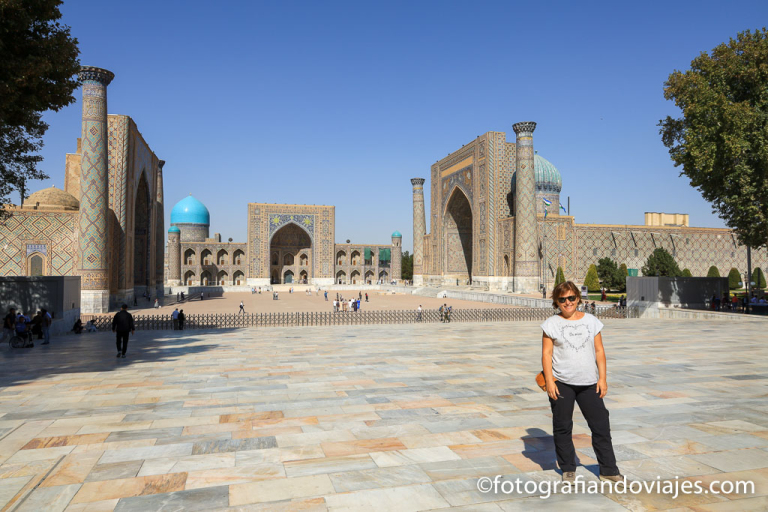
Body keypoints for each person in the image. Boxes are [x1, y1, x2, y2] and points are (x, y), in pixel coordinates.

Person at [541, 281, 621, 484]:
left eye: (571, 298)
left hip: (589, 383)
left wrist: (603, 378)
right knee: (562, 426)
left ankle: (609, 469)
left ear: (578, 298)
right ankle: (568, 468)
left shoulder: (591, 321)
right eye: (562, 299)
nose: (567, 302)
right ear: (556, 302)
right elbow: (546, 353)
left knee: (601, 425)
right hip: (562, 383)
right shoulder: (551, 324)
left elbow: (600, 351)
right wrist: (549, 381)